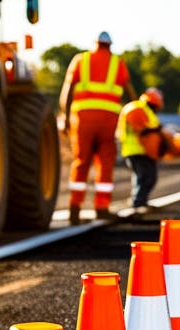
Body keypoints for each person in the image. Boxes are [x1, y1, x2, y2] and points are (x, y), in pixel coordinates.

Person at [59, 31, 137, 224]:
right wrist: (136, 113)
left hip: (83, 121)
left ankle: (75, 209)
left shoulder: (81, 60)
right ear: (110, 45)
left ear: (95, 43)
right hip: (108, 122)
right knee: (105, 163)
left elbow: (67, 91)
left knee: (81, 161)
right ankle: (101, 208)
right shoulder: (117, 63)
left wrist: (66, 117)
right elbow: (130, 92)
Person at [117, 87, 166, 213]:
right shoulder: (137, 109)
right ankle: (138, 203)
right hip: (137, 150)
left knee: (143, 177)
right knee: (146, 177)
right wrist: (157, 130)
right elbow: (141, 130)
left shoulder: (145, 110)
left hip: (143, 151)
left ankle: (140, 201)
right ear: (153, 103)